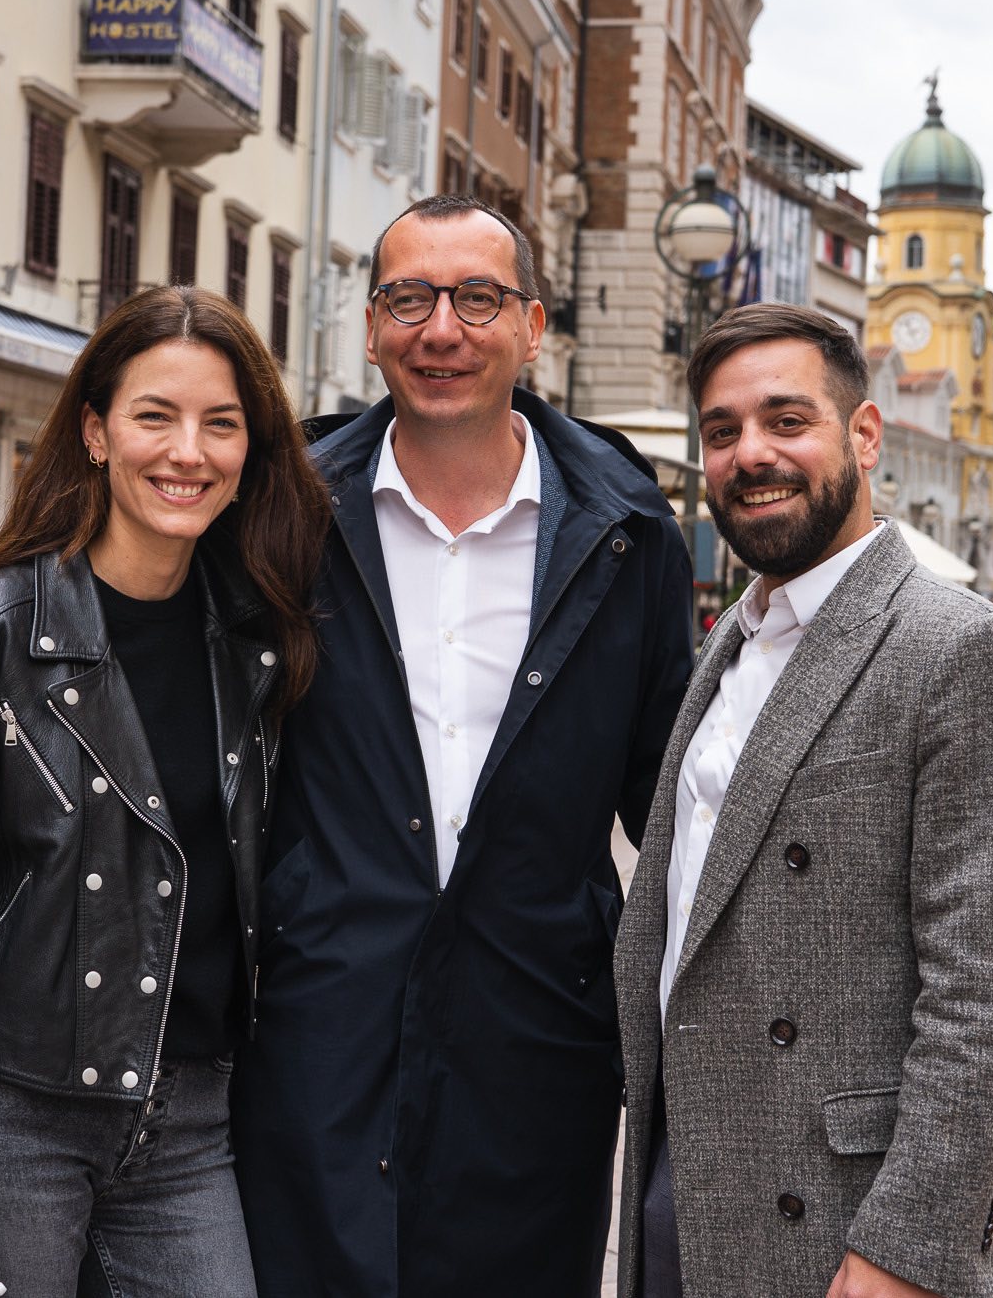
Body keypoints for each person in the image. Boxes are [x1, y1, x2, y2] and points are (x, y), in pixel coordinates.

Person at [230, 195, 694, 1297]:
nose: (441, 330)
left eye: (477, 299)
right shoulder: (283, 512)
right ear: (372, 324)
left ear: (533, 327)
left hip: (537, 1033)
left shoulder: (630, 536)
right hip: (316, 1023)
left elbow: (670, 805)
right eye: (409, 298)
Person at [0, 288, 329, 1296]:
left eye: (221, 423)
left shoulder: (257, 644)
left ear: (250, 453)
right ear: (96, 432)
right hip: (15, 1121)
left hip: (194, 1121)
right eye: (154, 415)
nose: (186, 451)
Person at [613, 304, 993, 1298]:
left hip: (845, 1213)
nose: (749, 455)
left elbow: (985, 994)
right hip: (686, 1165)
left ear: (862, 437)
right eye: (722, 431)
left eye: (785, 420)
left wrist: (905, 1243)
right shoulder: (728, 646)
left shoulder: (962, 649)